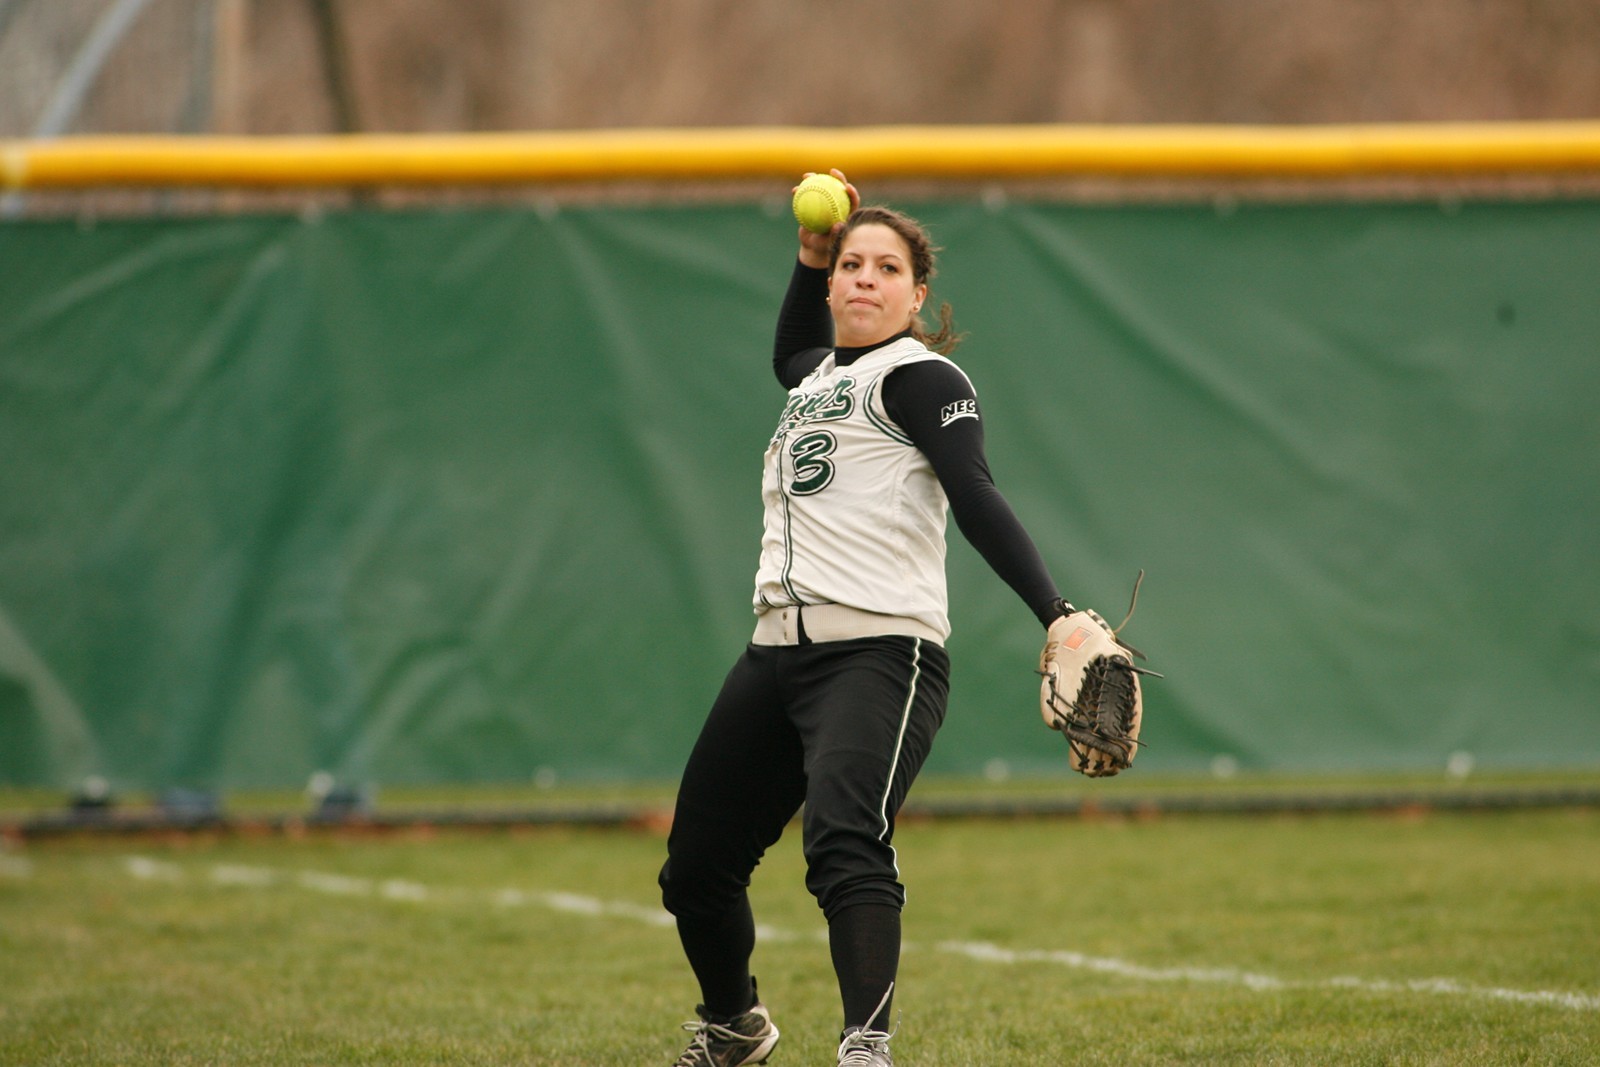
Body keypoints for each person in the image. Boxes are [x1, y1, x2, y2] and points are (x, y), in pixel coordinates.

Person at [659, 172, 1073, 1067]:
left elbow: (976, 496)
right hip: (775, 654)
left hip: (880, 652)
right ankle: (735, 1024)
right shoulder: (814, 381)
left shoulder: (924, 377)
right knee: (695, 868)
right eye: (850, 265)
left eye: (886, 268)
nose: (863, 280)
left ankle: (864, 1049)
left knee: (844, 840)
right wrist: (807, 258)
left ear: (917, 295)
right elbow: (791, 356)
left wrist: (1056, 611)